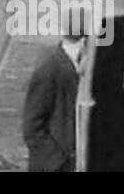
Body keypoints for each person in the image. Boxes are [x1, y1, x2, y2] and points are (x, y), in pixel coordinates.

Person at [22, 17, 85, 172]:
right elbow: (31, 127)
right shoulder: (48, 70)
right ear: (84, 41)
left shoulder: (82, 67)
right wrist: (59, 162)